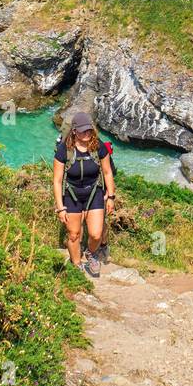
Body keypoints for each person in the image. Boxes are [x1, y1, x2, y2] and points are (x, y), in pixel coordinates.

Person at [53, 109, 116, 277]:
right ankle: (76, 264)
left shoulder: (98, 146)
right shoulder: (64, 149)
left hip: (94, 192)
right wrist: (60, 208)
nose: (87, 133)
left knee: (95, 234)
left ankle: (91, 253)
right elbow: (57, 181)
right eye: (83, 130)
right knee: (74, 234)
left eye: (89, 129)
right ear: (74, 130)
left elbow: (108, 172)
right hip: (72, 195)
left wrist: (110, 196)